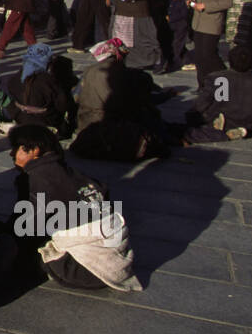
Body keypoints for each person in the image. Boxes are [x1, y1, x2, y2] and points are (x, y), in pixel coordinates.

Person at [10, 124, 140, 291]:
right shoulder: (75, 174)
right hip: (115, 263)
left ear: (34, 150)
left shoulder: (36, 178)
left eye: (16, 148)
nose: (11, 154)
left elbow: (27, 230)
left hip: (85, 270)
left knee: (15, 251)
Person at [70, 39, 167, 162]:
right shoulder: (125, 73)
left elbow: (76, 96)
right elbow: (138, 101)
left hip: (85, 122)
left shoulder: (88, 71)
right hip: (111, 125)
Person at [178, 46, 252, 144]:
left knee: (185, 127)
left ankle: (222, 132)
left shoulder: (218, 78)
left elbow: (202, 103)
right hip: (250, 123)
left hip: (222, 118)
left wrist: (191, 116)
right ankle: (244, 131)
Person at [9, 43, 75, 137]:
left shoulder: (14, 78)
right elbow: (62, 105)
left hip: (21, 118)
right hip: (44, 122)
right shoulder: (49, 82)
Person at [189, 0, 231, 88]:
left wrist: (206, 6)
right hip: (198, 22)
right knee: (199, 56)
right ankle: (203, 85)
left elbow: (226, 2)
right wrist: (191, 0)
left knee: (210, 54)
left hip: (212, 22)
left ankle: (225, 79)